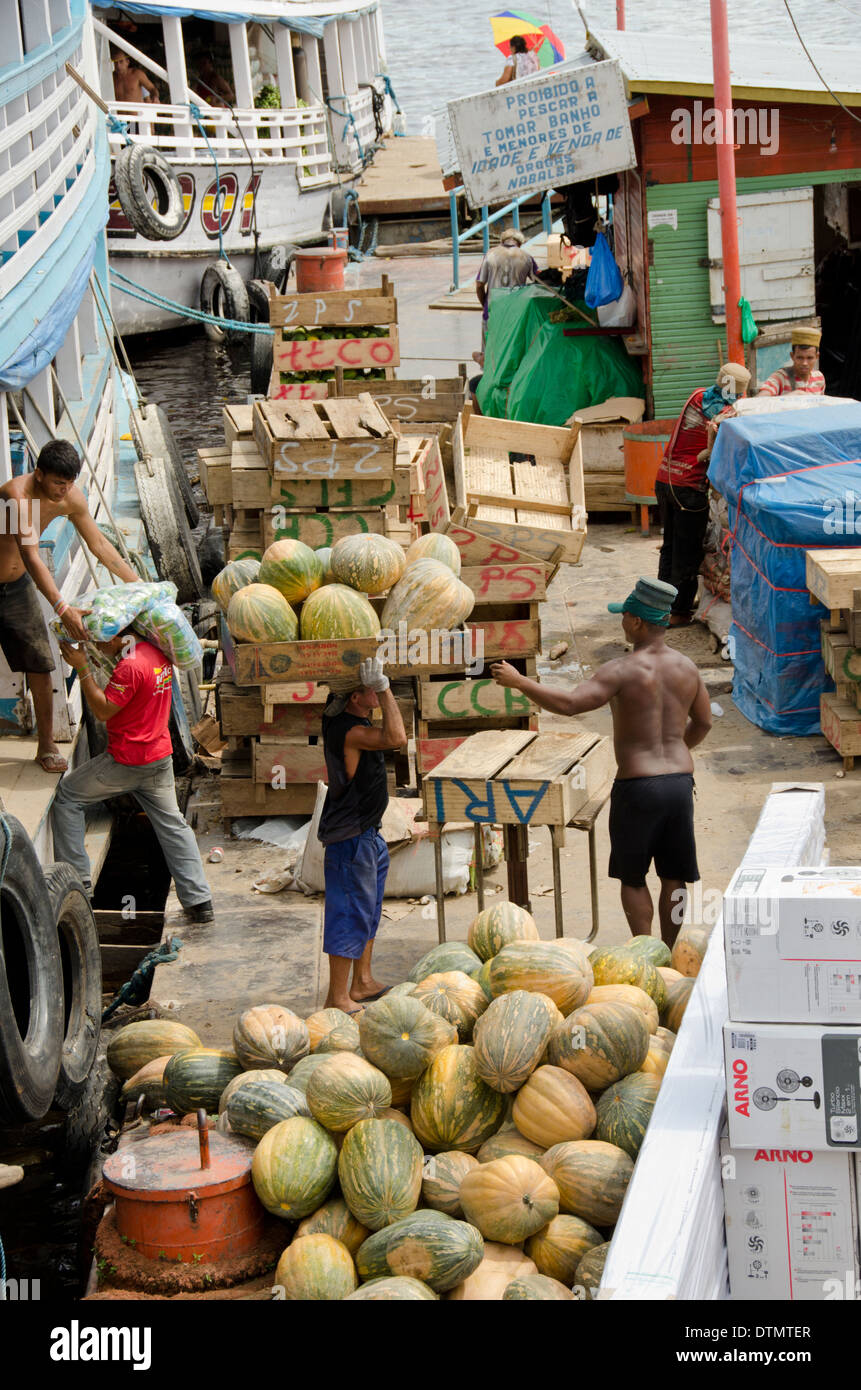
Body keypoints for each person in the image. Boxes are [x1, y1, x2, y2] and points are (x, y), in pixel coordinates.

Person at [491, 577, 712, 948]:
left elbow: (571, 704)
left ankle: (645, 953)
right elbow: (704, 721)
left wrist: (520, 682)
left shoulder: (621, 670)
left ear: (638, 622)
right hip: (678, 785)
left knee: (634, 876)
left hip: (637, 788)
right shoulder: (687, 668)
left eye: (625, 615)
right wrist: (679, 752)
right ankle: (673, 953)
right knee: (675, 876)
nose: (622, 620)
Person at [54, 628, 214, 922]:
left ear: (118, 636)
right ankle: (199, 901)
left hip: (127, 762)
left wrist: (83, 668)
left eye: (101, 640)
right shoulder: (158, 652)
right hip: (159, 758)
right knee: (173, 826)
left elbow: (102, 711)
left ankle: (79, 888)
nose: (98, 646)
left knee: (66, 797)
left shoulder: (129, 667)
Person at [0, 439, 139, 772]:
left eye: (69, 483)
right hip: (21, 573)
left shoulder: (71, 497)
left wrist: (140, 587)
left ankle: (45, 746)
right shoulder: (14, 497)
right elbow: (32, 557)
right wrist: (63, 608)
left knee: (41, 661)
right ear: (38, 474)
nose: (64, 490)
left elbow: (99, 544)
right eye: (57, 483)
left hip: (15, 588)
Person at [317, 657, 406, 1014]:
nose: (378, 689)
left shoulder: (342, 715)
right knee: (348, 914)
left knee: (367, 910)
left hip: (367, 834)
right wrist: (383, 690)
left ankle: (362, 981)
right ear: (355, 697)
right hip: (350, 839)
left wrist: (365, 686)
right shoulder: (350, 731)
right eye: (369, 689)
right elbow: (397, 737)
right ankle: (337, 998)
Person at [654, 361, 751, 627]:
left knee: (670, 549)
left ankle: (660, 607)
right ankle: (679, 612)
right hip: (689, 490)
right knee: (688, 554)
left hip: (664, 480)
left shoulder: (698, 395)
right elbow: (717, 454)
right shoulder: (725, 415)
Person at [475, 227, 538, 359]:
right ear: (520, 243)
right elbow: (539, 280)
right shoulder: (526, 257)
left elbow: (480, 284)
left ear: (502, 241)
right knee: (512, 352)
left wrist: (484, 304)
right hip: (516, 312)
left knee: (490, 354)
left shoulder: (490, 255)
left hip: (492, 310)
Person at [756, 326, 825, 397]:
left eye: (809, 358)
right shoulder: (780, 377)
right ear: (792, 356)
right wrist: (788, 398)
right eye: (800, 358)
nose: (805, 363)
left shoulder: (819, 378)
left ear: (817, 356)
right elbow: (759, 400)